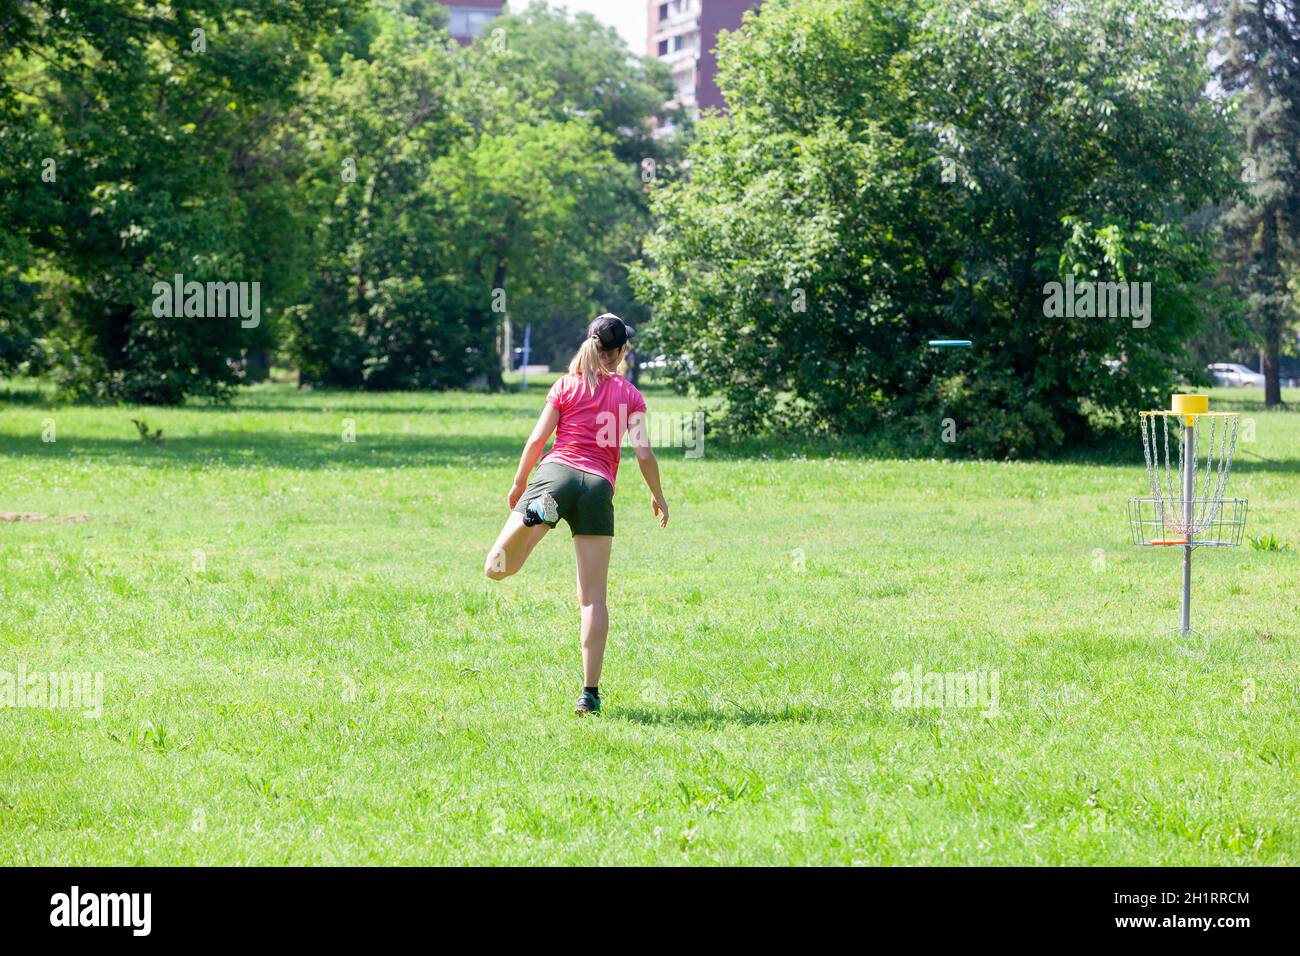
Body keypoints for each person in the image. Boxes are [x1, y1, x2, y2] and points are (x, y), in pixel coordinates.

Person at [484, 314, 669, 715]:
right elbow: (643, 453)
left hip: (555, 476)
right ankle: (589, 693)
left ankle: (536, 513)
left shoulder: (565, 385)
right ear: (620, 353)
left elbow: (538, 439)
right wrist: (658, 495)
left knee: (497, 568)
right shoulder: (630, 395)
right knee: (592, 600)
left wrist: (519, 484)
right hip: (598, 488)